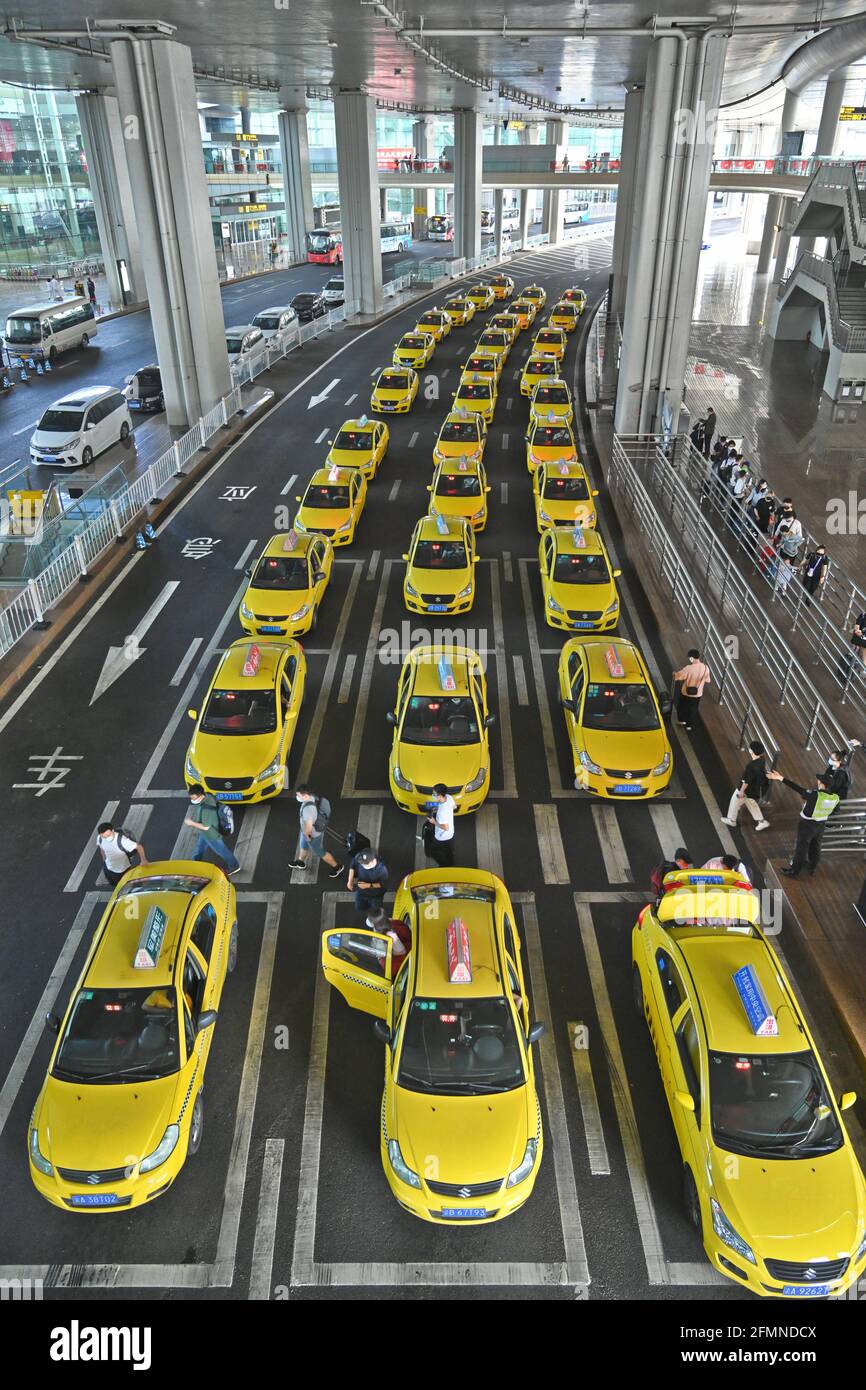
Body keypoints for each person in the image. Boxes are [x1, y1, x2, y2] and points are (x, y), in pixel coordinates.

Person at [766, 768, 840, 878]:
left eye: (819, 780)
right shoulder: (835, 798)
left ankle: (794, 871)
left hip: (808, 825)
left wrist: (780, 778)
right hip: (821, 825)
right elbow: (835, 811)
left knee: (802, 847)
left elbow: (798, 789)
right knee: (815, 846)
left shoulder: (815, 795)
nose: (817, 781)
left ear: (821, 783)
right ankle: (812, 867)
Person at [288, 785, 344, 877]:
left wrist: (307, 837)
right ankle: (300, 862)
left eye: (299, 796)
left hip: (313, 835)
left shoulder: (308, 810)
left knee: (320, 852)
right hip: (306, 831)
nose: (297, 797)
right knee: (303, 846)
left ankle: (337, 867)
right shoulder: (312, 797)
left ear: (305, 796)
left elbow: (309, 828)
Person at [185, 786, 240, 876]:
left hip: (212, 835)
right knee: (200, 846)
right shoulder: (208, 796)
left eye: (194, 798)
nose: (192, 799)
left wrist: (191, 823)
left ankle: (234, 866)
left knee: (221, 850)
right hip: (205, 834)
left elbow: (206, 827)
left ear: (201, 796)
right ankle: (195, 861)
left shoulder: (207, 810)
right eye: (191, 797)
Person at [721, 739, 770, 831]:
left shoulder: (751, 766)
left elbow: (746, 781)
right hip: (754, 789)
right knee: (751, 803)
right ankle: (762, 821)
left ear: (751, 751)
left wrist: (741, 792)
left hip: (747, 789)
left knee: (734, 801)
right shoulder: (762, 760)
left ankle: (731, 820)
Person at [96, 820, 149, 887]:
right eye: (104, 836)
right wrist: (104, 860)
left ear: (112, 831)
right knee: (113, 883)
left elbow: (138, 846)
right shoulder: (100, 838)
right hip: (108, 866)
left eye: (108, 835)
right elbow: (101, 848)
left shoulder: (122, 840)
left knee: (123, 885)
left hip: (121, 870)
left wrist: (143, 860)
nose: (106, 838)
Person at [365, 906, 411, 978]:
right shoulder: (396, 923)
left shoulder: (389, 937)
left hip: (402, 965)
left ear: (373, 925)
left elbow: (402, 951)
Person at [672, 648, 711, 732]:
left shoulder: (689, 668)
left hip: (686, 692)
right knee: (693, 708)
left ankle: (682, 721)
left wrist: (675, 674)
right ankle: (689, 725)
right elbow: (708, 680)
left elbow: (679, 676)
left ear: (691, 658)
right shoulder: (705, 668)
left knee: (682, 706)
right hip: (698, 694)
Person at [422, 783, 456, 868]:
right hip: (450, 834)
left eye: (434, 794)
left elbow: (445, 827)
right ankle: (451, 861)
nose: (433, 795)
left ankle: (444, 865)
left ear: (440, 795)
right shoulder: (449, 797)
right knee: (448, 849)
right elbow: (454, 807)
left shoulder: (441, 813)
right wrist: (437, 806)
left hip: (442, 836)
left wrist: (434, 822)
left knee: (433, 851)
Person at [347, 847, 389, 913]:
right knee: (359, 907)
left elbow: (383, 884)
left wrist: (368, 885)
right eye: (362, 863)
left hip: (375, 896)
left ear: (373, 861)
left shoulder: (382, 869)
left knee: (376, 912)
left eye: (365, 864)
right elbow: (353, 865)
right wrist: (350, 880)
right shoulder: (360, 857)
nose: (362, 865)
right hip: (360, 892)